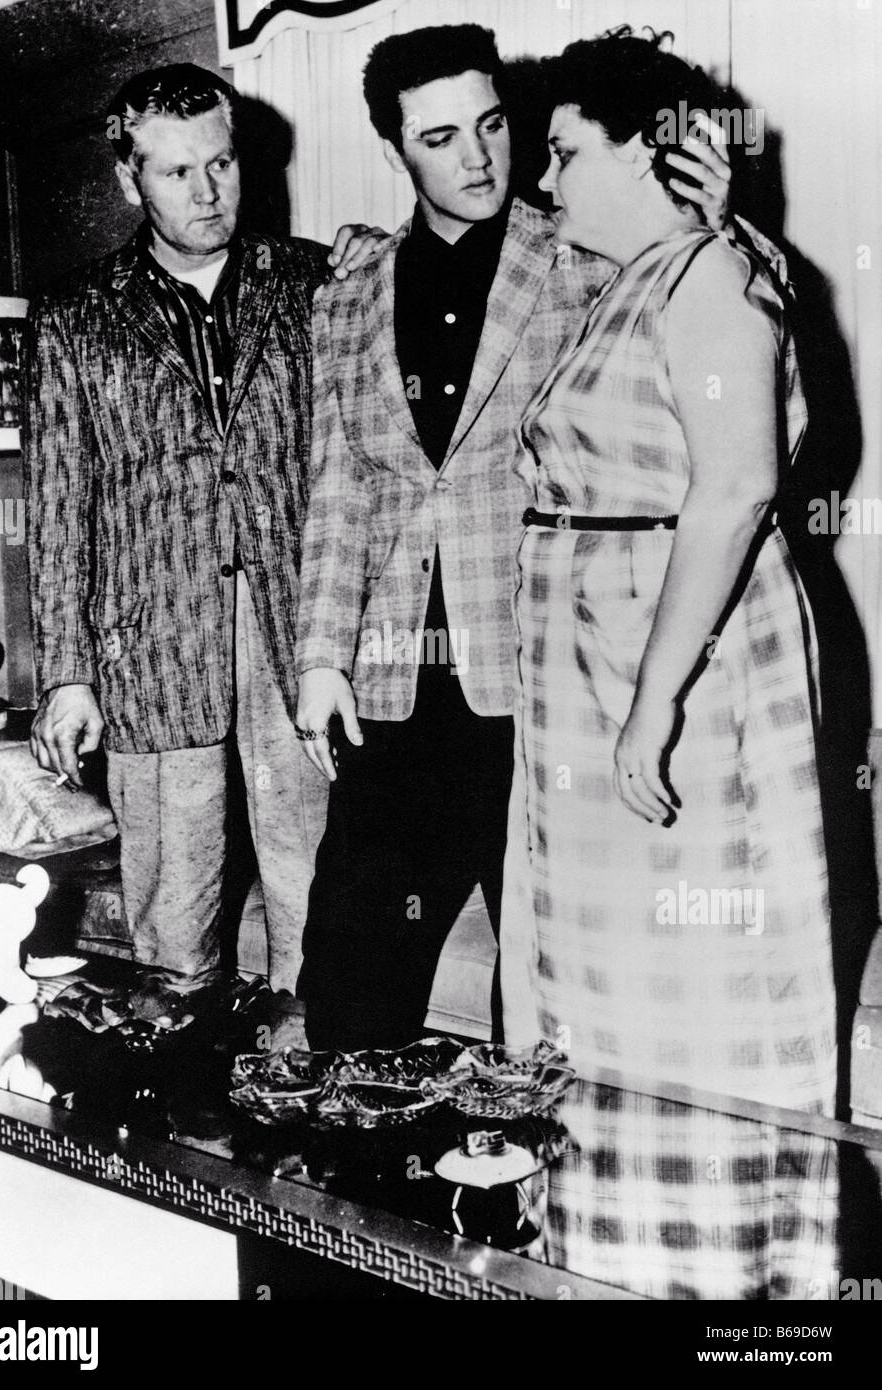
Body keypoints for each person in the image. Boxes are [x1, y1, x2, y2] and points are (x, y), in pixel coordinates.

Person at [294, 25, 731, 1051]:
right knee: (351, 976)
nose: (478, 157)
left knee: (543, 993)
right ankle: (346, 1199)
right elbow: (339, 485)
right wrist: (318, 656)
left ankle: (516, 1205)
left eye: (491, 124)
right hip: (393, 688)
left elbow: (720, 318)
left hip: (545, 680)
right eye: (440, 137)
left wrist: (723, 224)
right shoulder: (349, 292)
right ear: (396, 149)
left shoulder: (581, 253)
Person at [497, 30, 838, 1292]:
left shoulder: (703, 273)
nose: (542, 180)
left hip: (675, 685)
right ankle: (611, 1259)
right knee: (609, 991)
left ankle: (720, 1285)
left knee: (700, 995)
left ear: (650, 147)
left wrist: (646, 713)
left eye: (564, 149)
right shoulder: (646, 274)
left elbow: (737, 483)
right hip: (602, 678)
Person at [24, 64, 383, 1023]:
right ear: (127, 180)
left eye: (221, 162)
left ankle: (318, 1079)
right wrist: (67, 671)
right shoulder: (73, 318)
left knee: (314, 883)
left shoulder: (316, 282)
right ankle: (182, 1095)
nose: (208, 191)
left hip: (295, 634)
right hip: (151, 641)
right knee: (174, 912)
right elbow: (62, 507)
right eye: (177, 172)